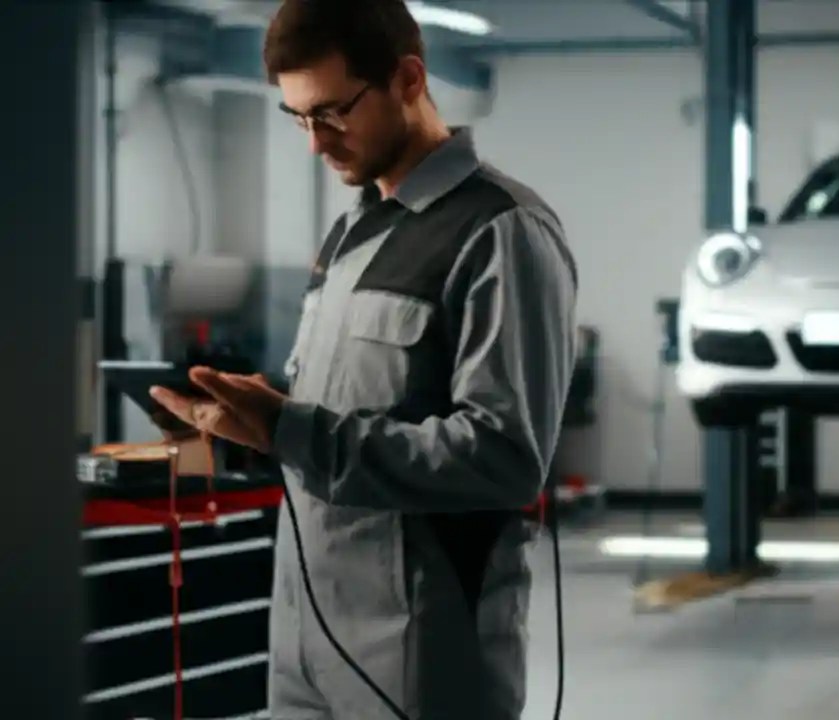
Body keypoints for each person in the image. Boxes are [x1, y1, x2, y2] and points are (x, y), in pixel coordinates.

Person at [150, 1, 578, 717]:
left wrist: (293, 429)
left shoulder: (501, 231)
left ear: (408, 79)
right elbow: (348, 409)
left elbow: (505, 455)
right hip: (304, 620)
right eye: (298, 118)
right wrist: (251, 419)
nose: (316, 144)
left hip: (422, 632)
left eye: (332, 113)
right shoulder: (352, 233)